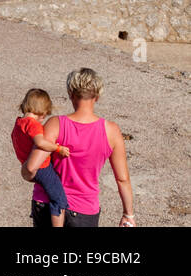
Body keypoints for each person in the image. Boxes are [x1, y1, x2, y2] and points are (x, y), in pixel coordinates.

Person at [22, 68, 135, 228]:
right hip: (84, 210)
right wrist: (128, 215)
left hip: (46, 204)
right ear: (97, 96)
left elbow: (31, 168)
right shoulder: (111, 131)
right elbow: (122, 179)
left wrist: (26, 173)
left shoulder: (56, 124)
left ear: (70, 93)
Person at [12, 89, 72, 227]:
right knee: (59, 199)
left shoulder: (19, 123)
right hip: (42, 167)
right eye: (45, 114)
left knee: (49, 189)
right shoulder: (33, 125)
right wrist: (58, 148)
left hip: (28, 164)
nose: (44, 118)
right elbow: (40, 143)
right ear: (41, 110)